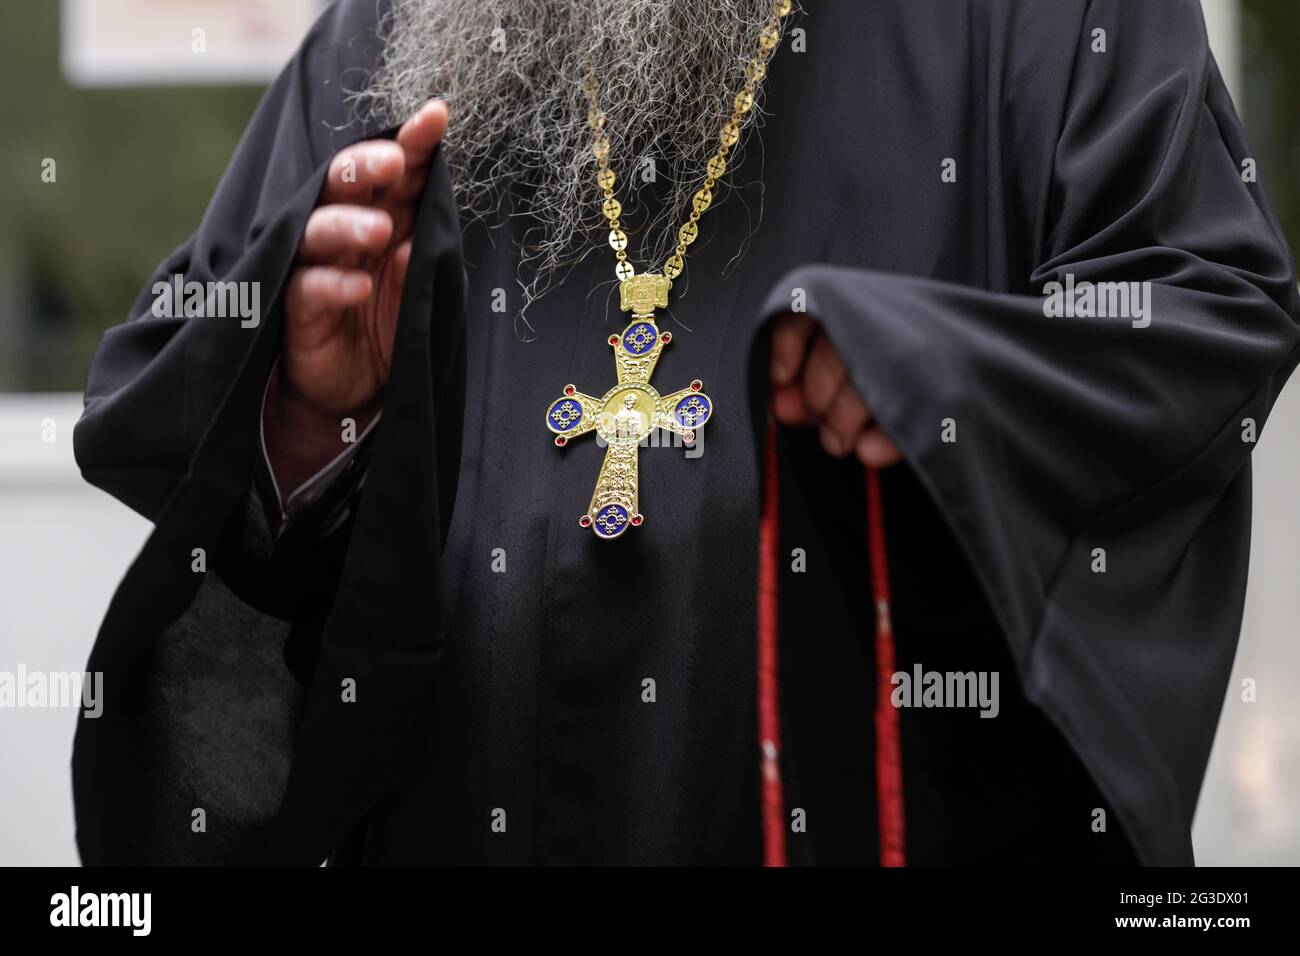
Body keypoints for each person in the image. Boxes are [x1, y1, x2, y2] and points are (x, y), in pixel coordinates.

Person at [73, 0, 1300, 865]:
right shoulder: (396, 26)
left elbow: (1202, 309)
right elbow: (200, 375)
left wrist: (943, 388)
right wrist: (308, 414)